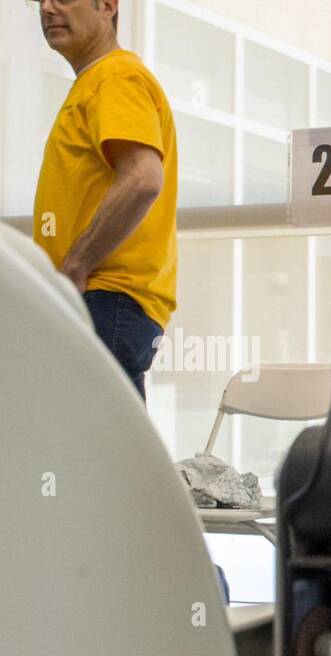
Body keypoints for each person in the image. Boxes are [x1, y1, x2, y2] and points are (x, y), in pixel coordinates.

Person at [33, 0, 178, 401]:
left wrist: (76, 266)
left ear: (107, 7)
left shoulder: (114, 77)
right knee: (105, 451)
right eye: (41, 0)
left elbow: (143, 179)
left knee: (94, 452)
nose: (47, 9)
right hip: (104, 302)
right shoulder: (98, 82)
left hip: (105, 298)